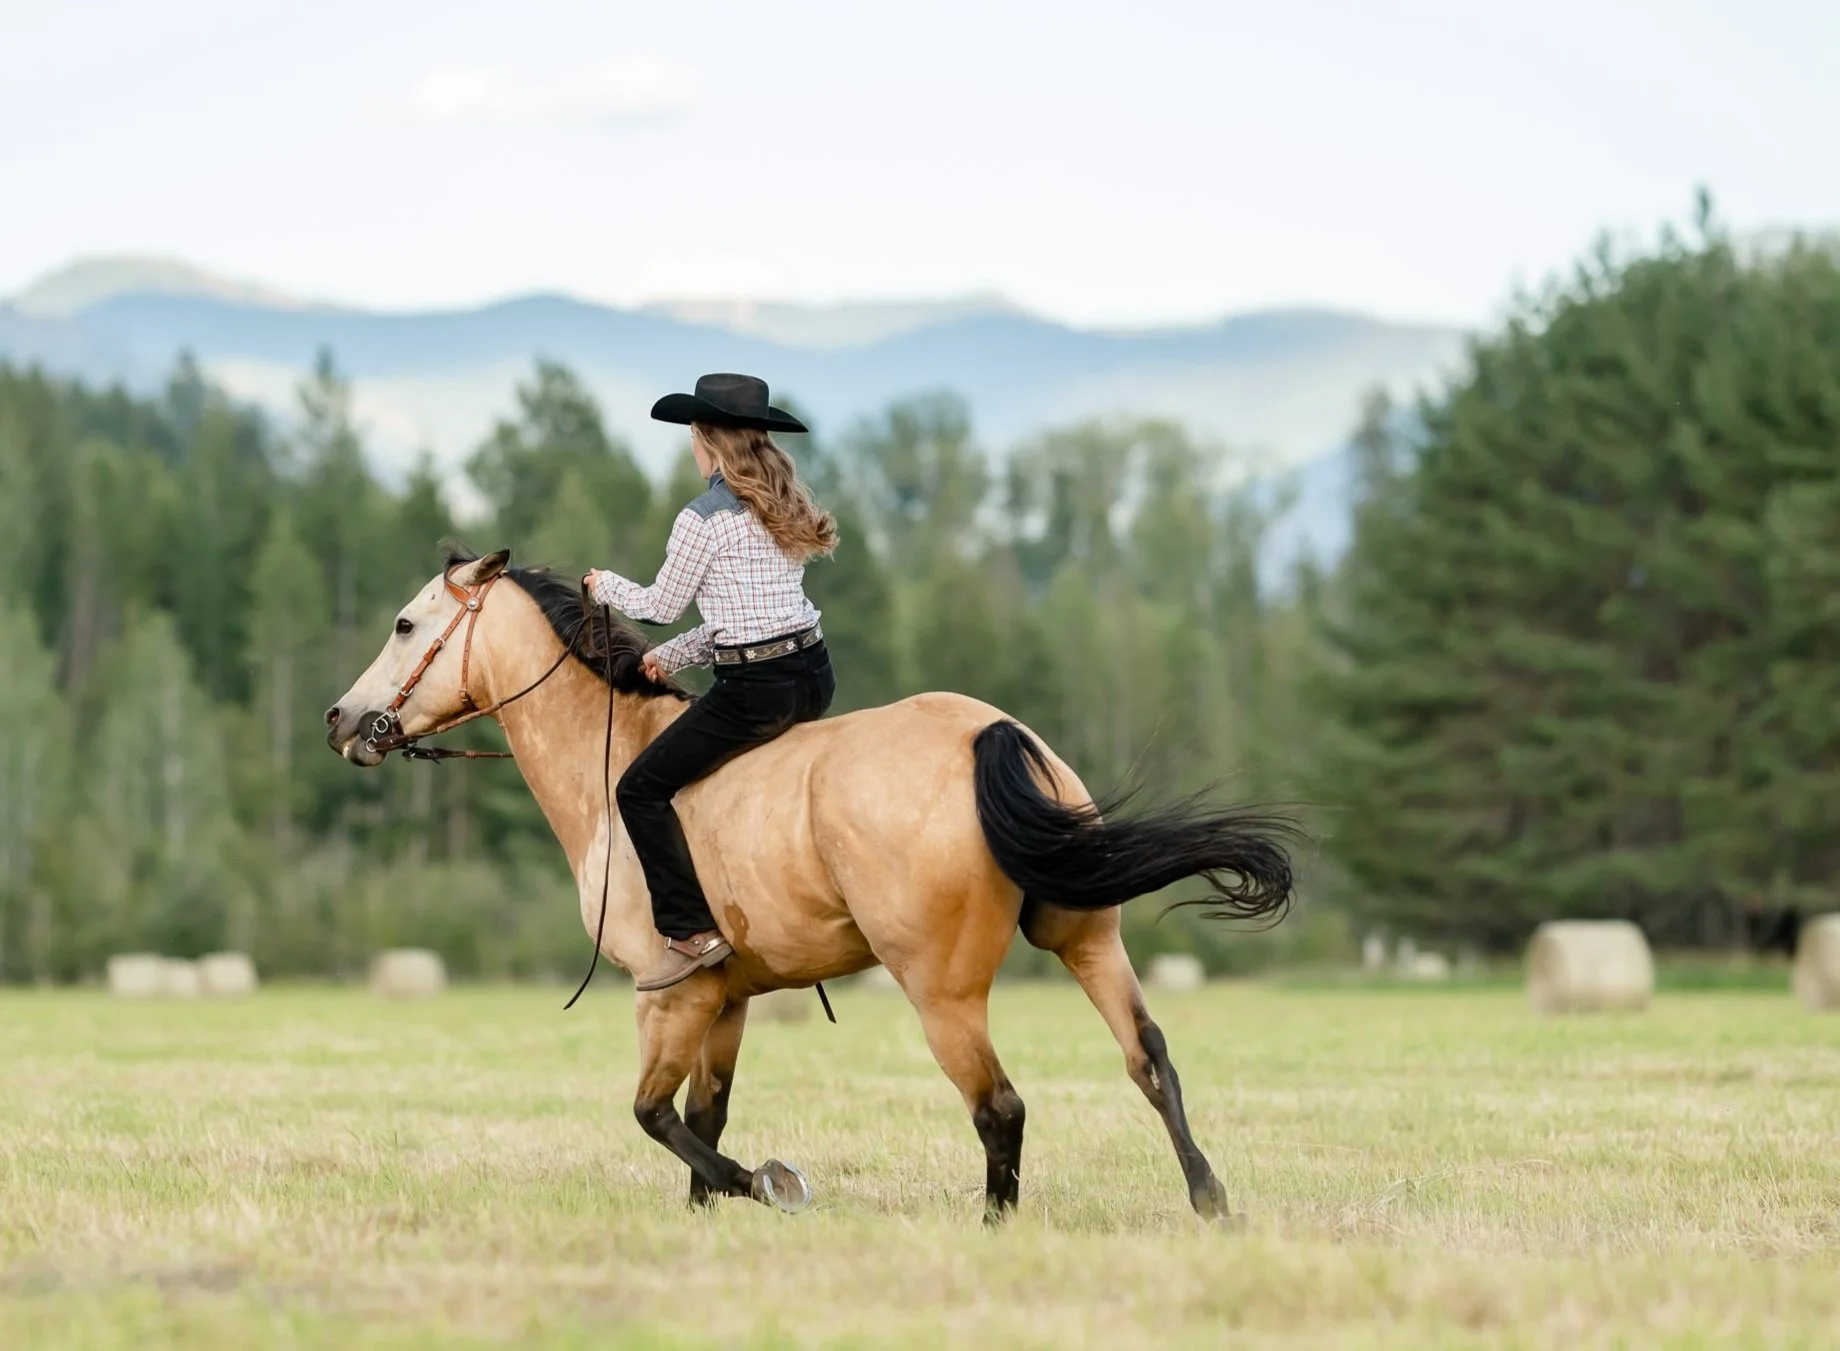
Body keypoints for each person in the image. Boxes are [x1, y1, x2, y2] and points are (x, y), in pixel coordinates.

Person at [583, 373, 838, 991]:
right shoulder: (778, 504)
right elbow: (748, 615)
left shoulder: (702, 519)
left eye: (693, 437)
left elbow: (661, 604)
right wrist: (673, 657)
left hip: (757, 692)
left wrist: (604, 585)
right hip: (813, 674)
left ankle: (690, 933)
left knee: (640, 790)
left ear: (708, 442)